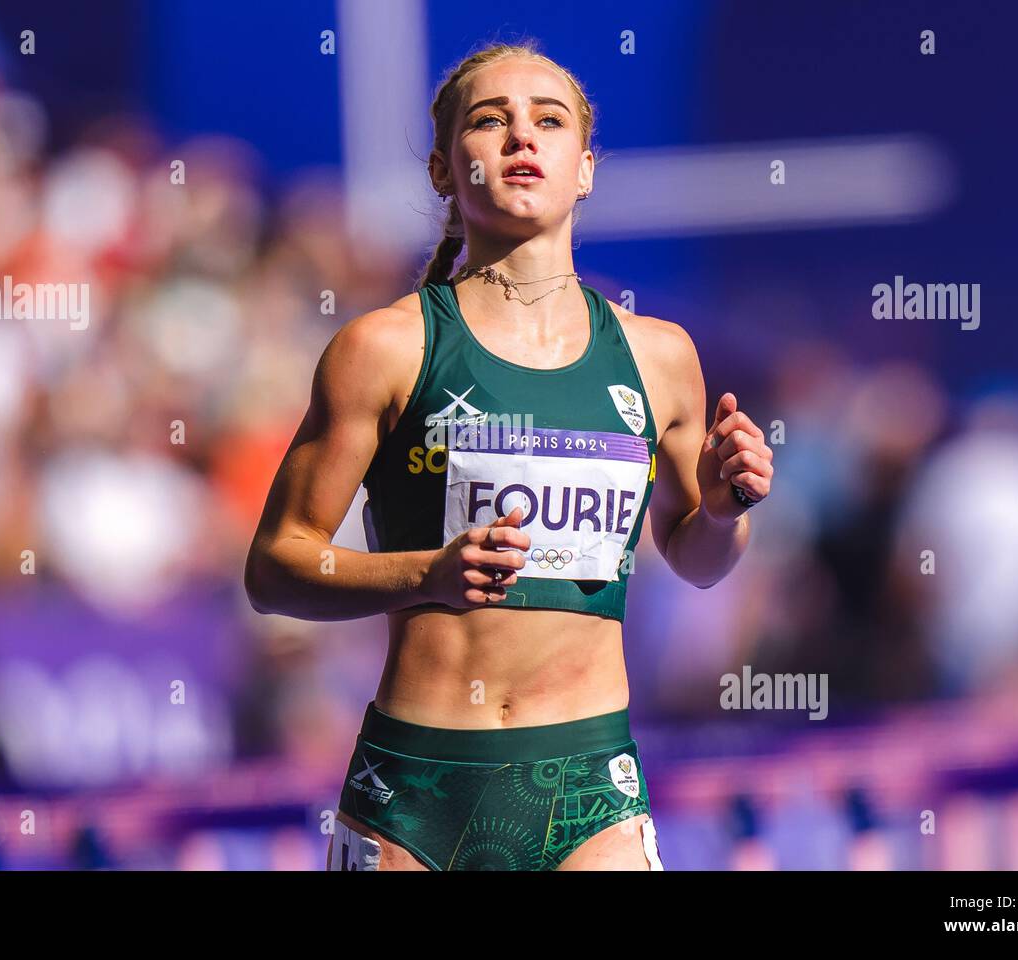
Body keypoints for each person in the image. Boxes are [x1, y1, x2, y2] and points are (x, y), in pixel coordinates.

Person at [245, 41, 773, 871]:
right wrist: (428, 576)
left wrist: (719, 509)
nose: (522, 137)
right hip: (416, 790)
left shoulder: (659, 357)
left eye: (548, 121)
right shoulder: (384, 348)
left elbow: (699, 562)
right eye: (490, 122)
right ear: (445, 170)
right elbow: (274, 568)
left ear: (585, 168)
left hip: (589, 788)